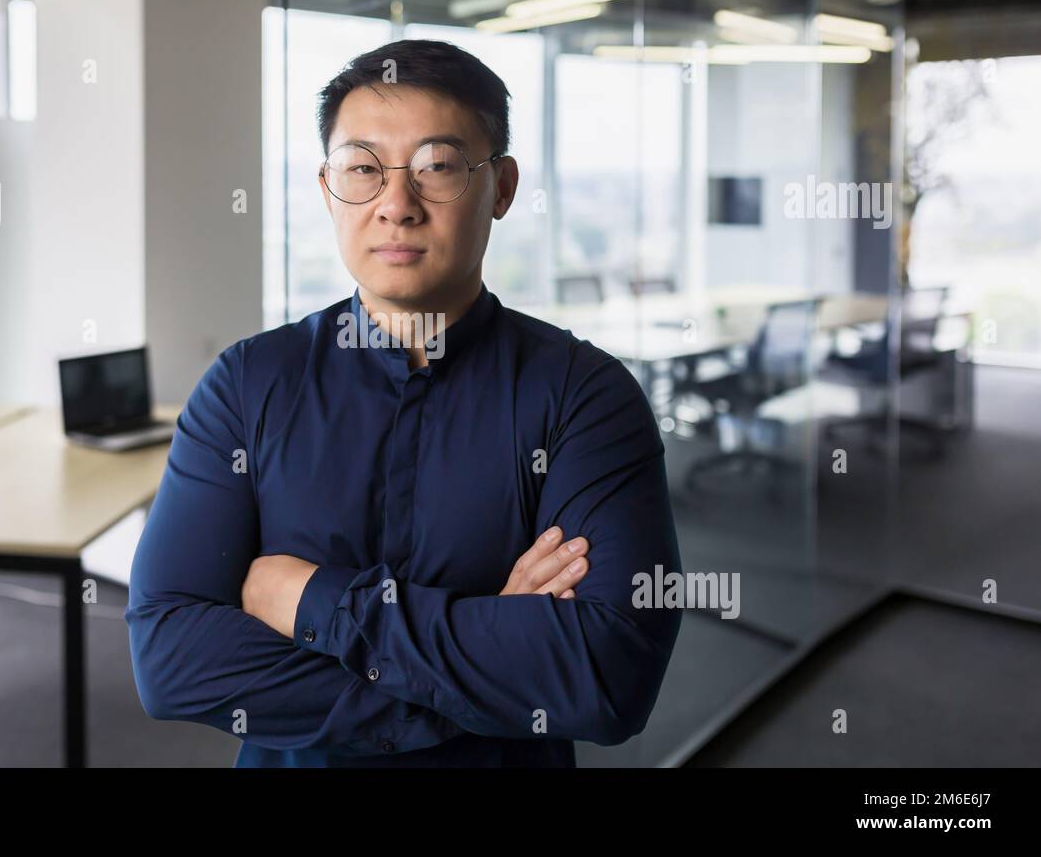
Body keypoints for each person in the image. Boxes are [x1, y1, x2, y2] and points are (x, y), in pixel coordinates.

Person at [126, 38, 682, 767]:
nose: (396, 206)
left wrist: (311, 601)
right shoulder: (249, 384)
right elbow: (170, 660)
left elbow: (609, 675)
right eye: (363, 169)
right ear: (328, 188)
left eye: (437, 167)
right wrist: (481, 659)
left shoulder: (584, 395)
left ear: (502, 187)